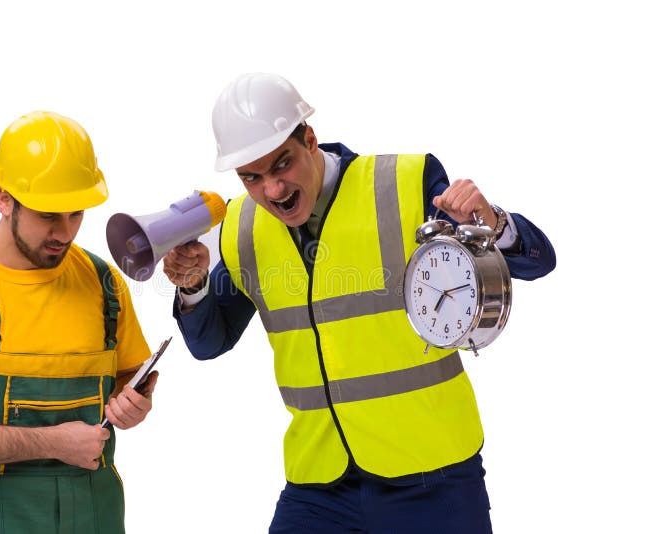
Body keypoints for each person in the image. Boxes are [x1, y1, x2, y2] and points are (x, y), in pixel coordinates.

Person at [163, 73, 556, 533]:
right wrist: (193, 286)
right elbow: (210, 342)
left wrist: (491, 221)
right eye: (252, 177)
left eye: (282, 165)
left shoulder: (404, 183)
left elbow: (537, 261)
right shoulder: (241, 227)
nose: (271, 190)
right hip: (318, 486)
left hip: (435, 479)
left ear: (309, 139)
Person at [0, 111, 158, 533]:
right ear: (4, 200)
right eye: (48, 215)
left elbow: (132, 376)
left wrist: (134, 404)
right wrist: (54, 443)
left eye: (76, 214)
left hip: (95, 514)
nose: (65, 231)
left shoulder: (104, 283)